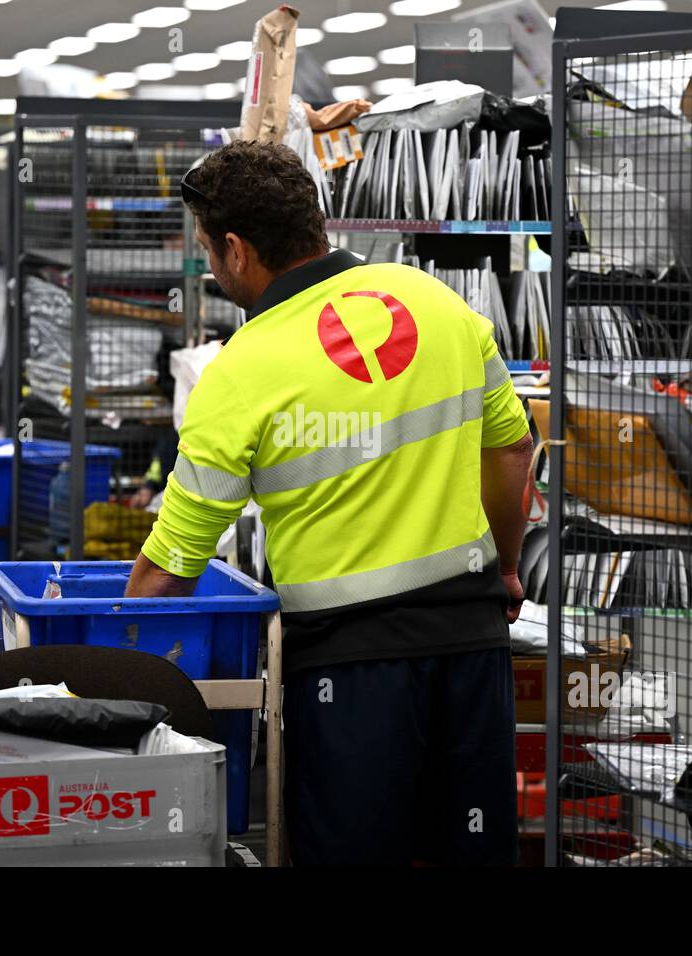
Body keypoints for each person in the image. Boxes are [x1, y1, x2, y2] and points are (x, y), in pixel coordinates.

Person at [127, 140, 534, 866]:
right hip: (472, 646)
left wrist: (104, 680)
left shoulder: (241, 372)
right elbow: (510, 451)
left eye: (209, 253)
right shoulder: (440, 304)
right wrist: (504, 569)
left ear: (236, 248)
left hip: (351, 670)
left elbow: (172, 567)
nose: (212, 269)